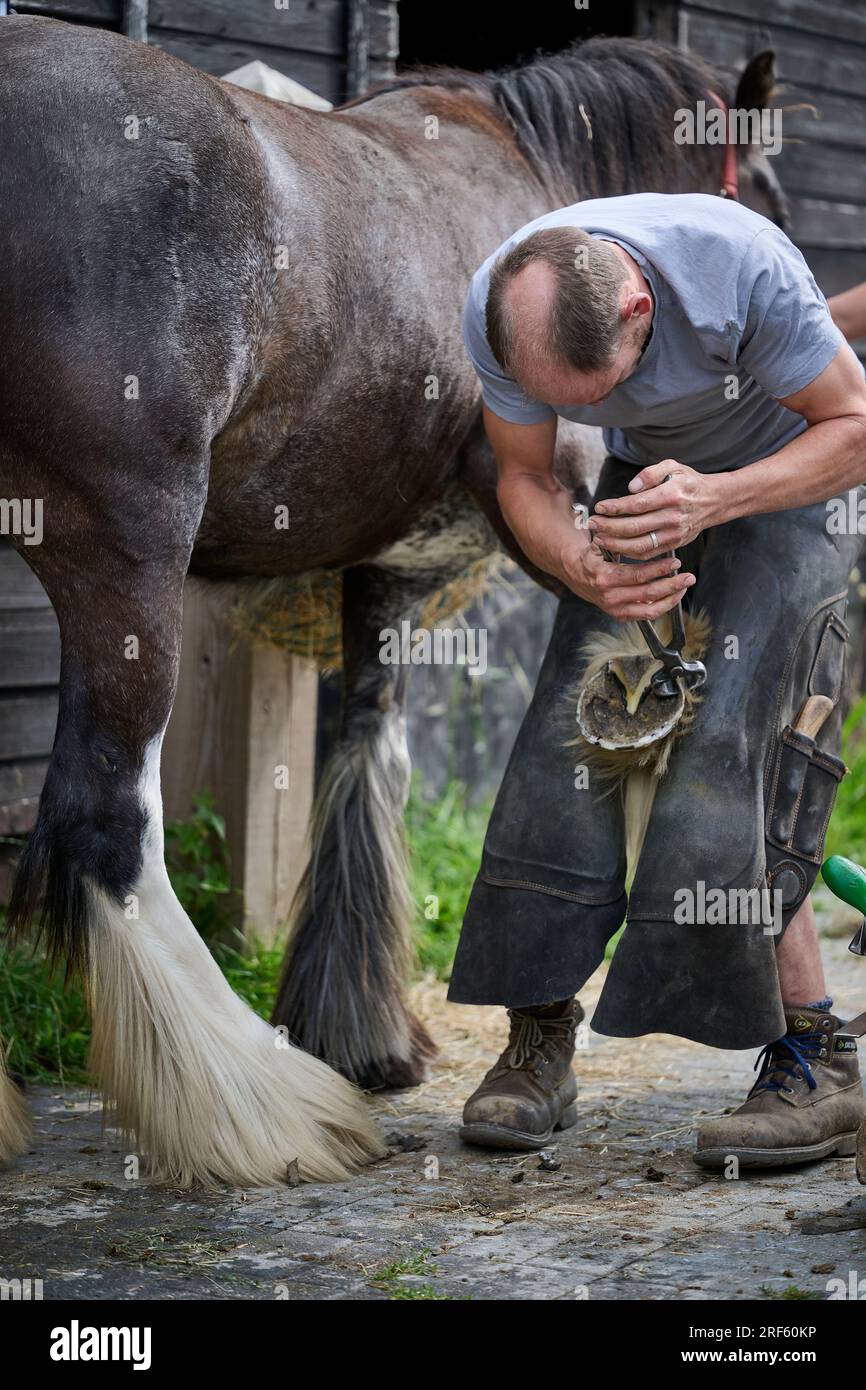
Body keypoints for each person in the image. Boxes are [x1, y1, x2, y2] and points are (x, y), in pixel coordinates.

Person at [449, 192, 866, 1168]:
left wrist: (714, 497)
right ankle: (537, 1045)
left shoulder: (739, 272)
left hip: (783, 482)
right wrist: (576, 559)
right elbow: (524, 478)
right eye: (565, 401)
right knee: (571, 742)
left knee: (730, 754)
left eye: (596, 391)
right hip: (641, 490)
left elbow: (850, 425)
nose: (580, 413)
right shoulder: (501, 302)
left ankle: (814, 1056)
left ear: (637, 308)